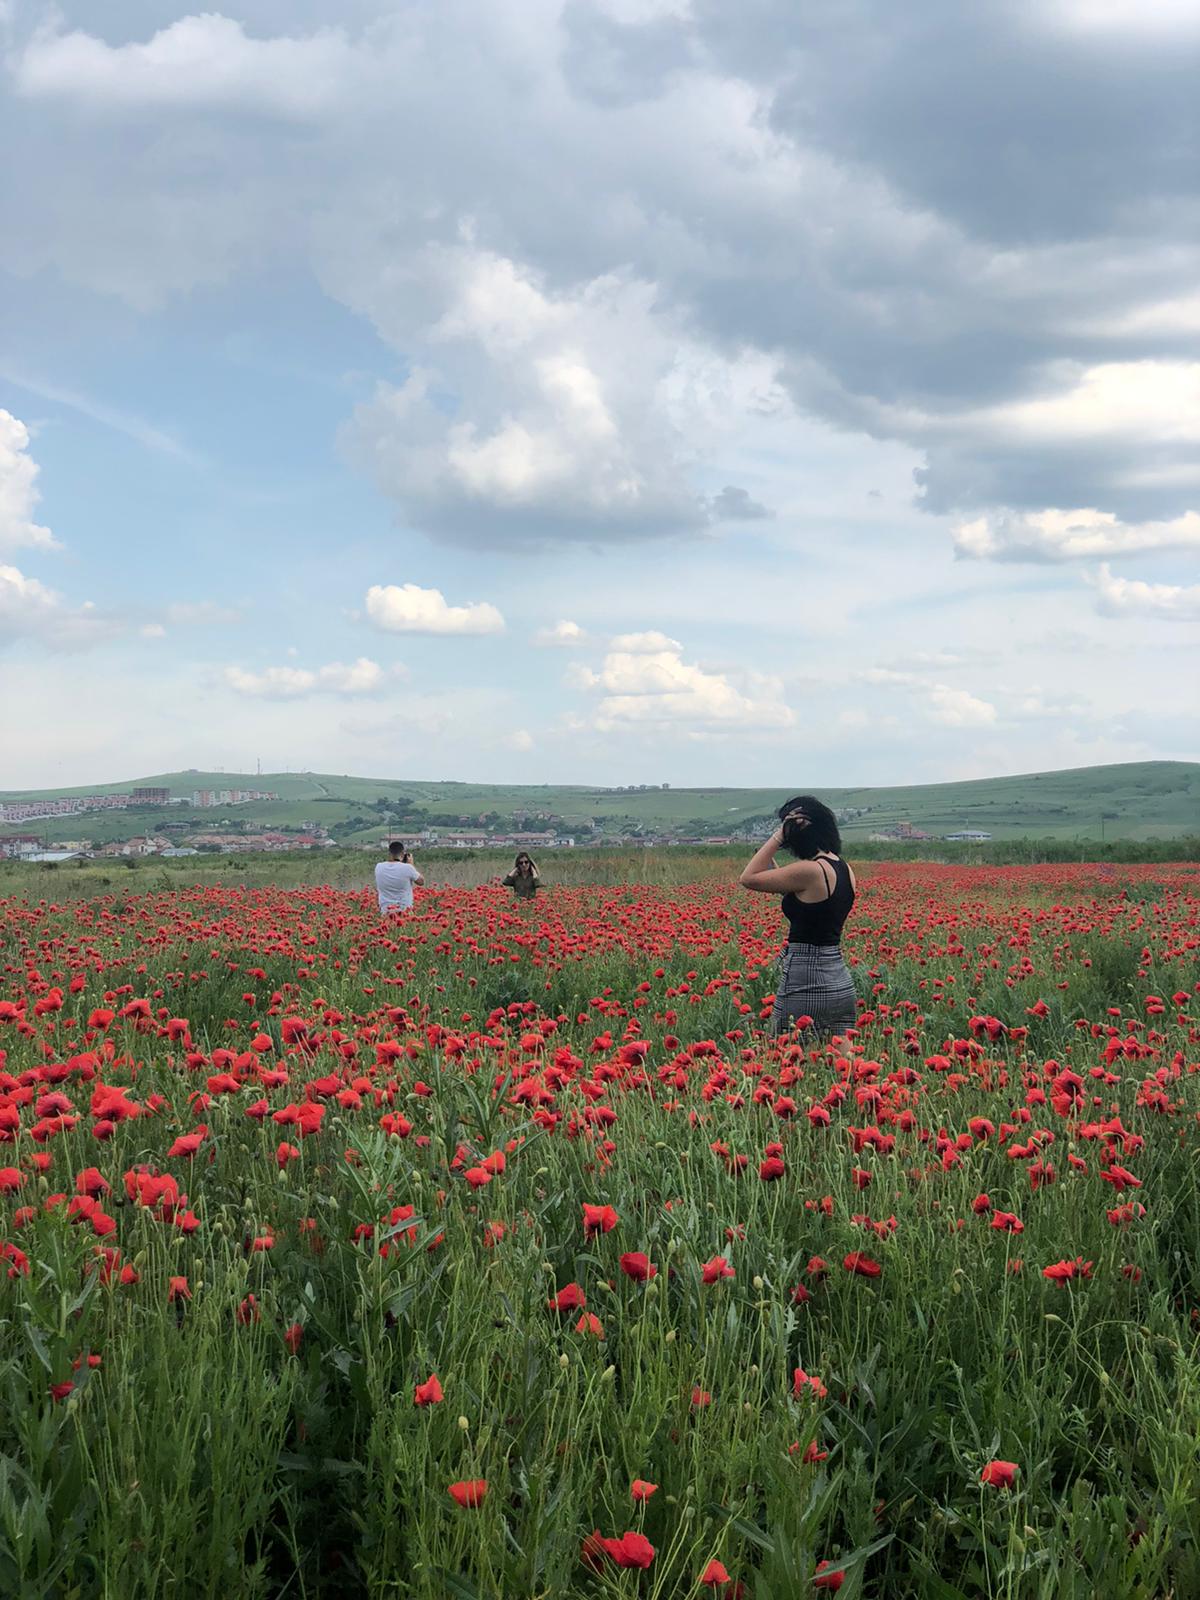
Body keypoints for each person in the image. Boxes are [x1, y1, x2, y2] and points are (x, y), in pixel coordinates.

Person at [738, 794, 857, 1038]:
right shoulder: (842, 868)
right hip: (839, 982)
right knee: (847, 1070)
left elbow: (747, 878)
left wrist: (778, 836)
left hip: (805, 981)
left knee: (782, 1059)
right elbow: (791, 888)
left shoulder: (810, 870)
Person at [374, 839, 423, 916]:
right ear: (403, 853)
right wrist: (411, 865)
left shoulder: (378, 867)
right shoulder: (408, 868)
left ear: (389, 853)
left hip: (385, 911)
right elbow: (421, 882)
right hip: (404, 911)